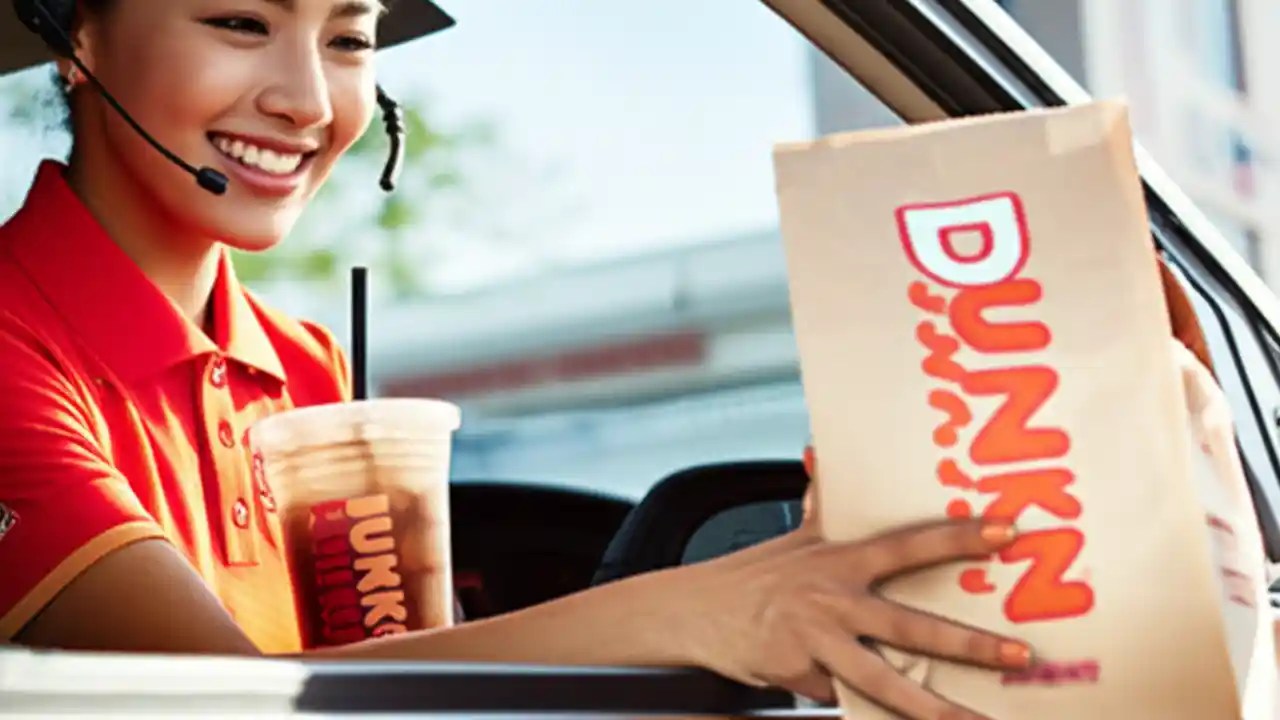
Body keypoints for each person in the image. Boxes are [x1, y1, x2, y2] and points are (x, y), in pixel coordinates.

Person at [0, 2, 1220, 719]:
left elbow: (400, 688)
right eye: (237, 22)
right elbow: (224, 705)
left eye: (351, 36)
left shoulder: (309, 366)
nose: (310, 102)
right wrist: (698, 613)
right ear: (77, 34)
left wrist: (837, 558)